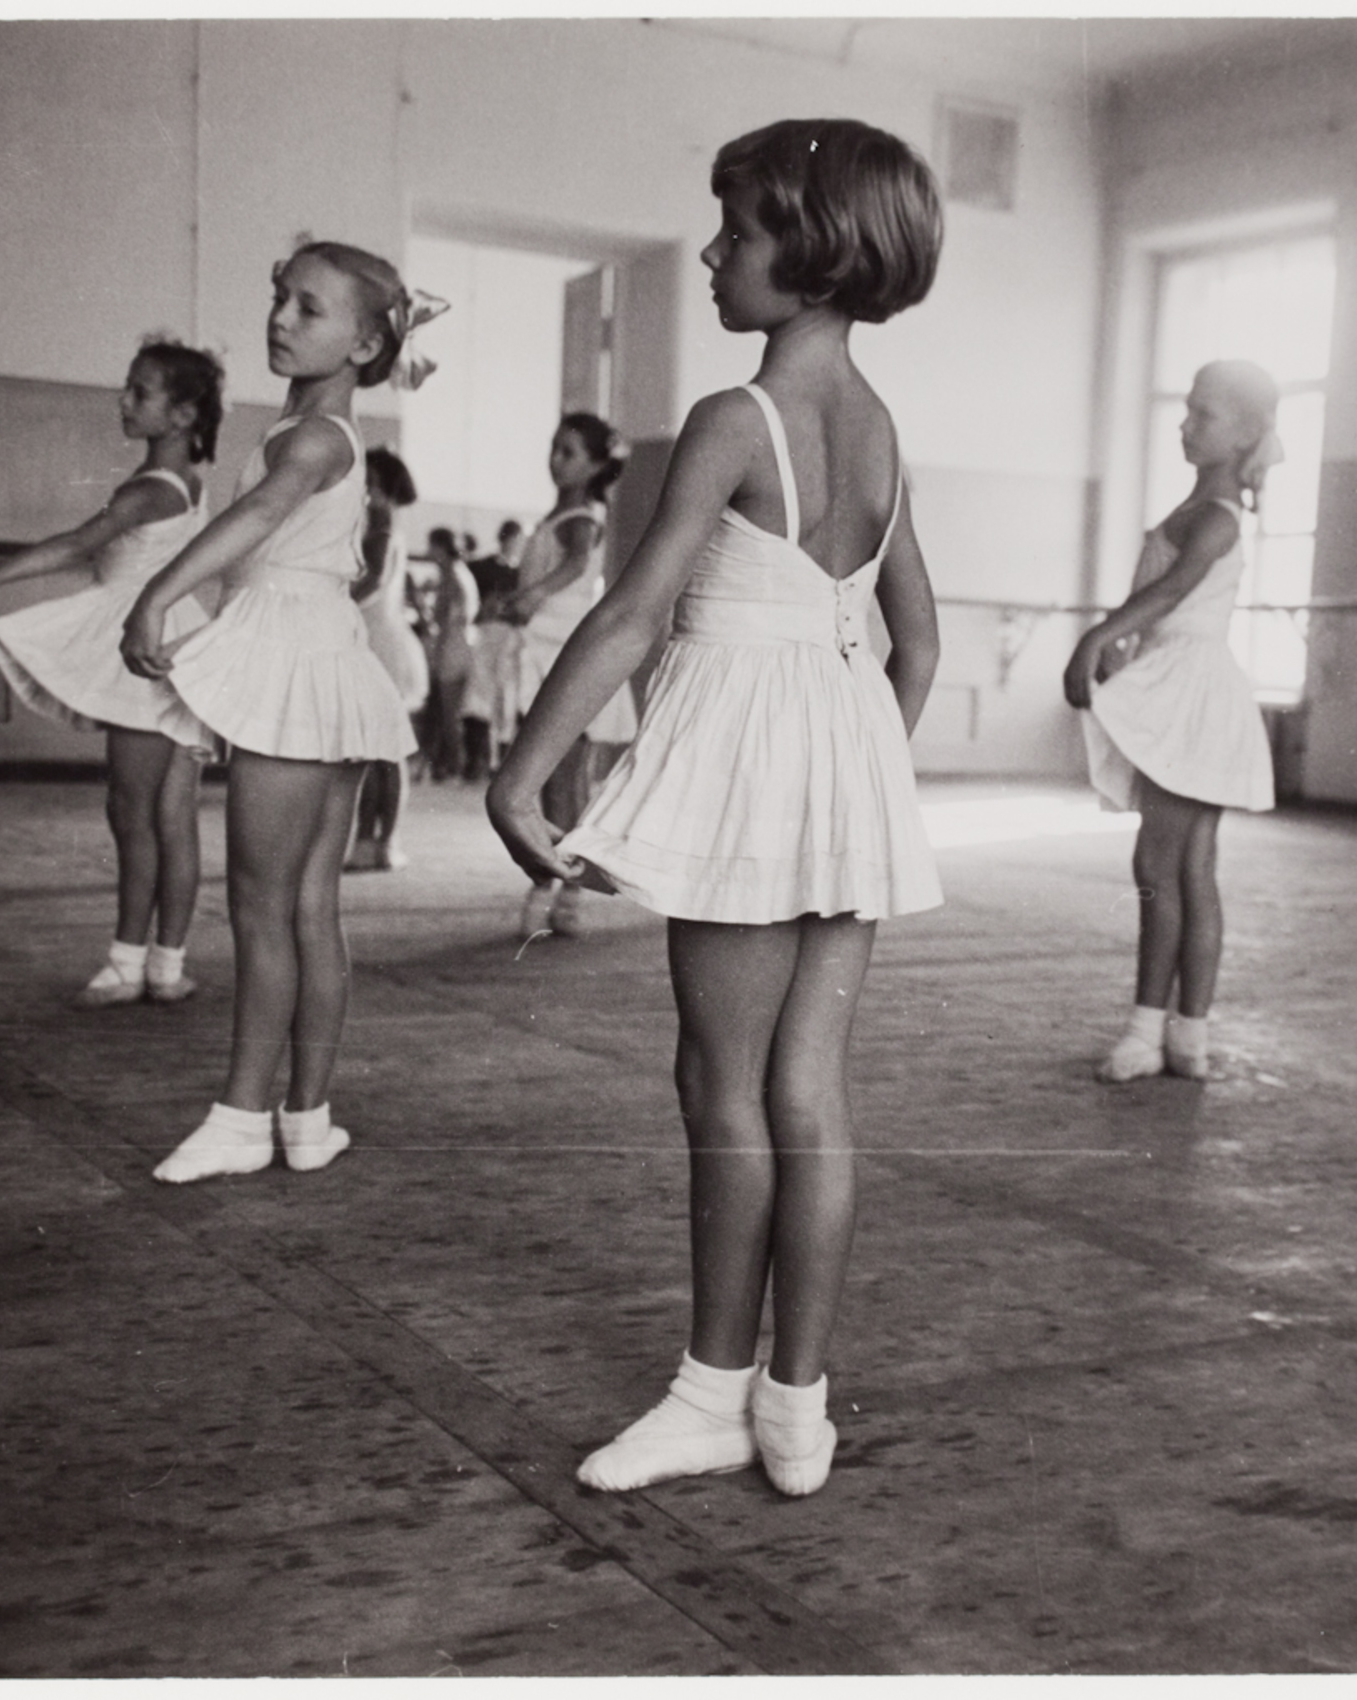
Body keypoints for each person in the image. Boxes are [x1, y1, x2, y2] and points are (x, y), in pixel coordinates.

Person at [487, 118, 942, 1498]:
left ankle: (708, 1395)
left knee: (721, 1085)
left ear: (807, 257)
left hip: (757, 779)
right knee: (811, 1089)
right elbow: (914, 644)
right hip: (841, 761)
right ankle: (797, 1410)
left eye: (736, 230)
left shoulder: (736, 420)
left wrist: (521, 770)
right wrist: (850, 772)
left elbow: (630, 613)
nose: (709, 250)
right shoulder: (879, 431)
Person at [121, 241, 438, 1184]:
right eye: (279, 299)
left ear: (366, 341)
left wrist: (157, 596)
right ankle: (306, 1120)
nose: (281, 319)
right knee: (306, 907)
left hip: (296, 658)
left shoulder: (314, 439)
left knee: (266, 908)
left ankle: (239, 1117)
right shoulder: (317, 425)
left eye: (309, 309)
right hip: (316, 653)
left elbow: (252, 519)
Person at [0, 340, 225, 1005]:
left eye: (141, 392)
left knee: (133, 810)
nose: (124, 400)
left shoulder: (150, 489)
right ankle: (164, 965)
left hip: (147, 644)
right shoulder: (188, 484)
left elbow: (83, 543)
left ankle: (127, 961)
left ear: (182, 415)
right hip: (180, 640)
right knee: (172, 815)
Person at [1064, 359, 1280, 1083]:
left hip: (1193, 691)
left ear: (1245, 432)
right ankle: (1184, 1036)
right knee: (1186, 867)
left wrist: (1098, 637)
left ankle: (1151, 1031)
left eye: (1204, 415)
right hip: (1174, 680)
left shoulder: (1217, 520)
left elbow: (1169, 593)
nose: (1186, 425)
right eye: (1186, 410)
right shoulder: (1193, 510)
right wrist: (1119, 646)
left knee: (1164, 864)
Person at [509, 412, 634, 939]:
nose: (556, 460)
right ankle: (551, 881)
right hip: (543, 650)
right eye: (554, 448)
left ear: (598, 464)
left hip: (568, 654)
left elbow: (579, 564)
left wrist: (536, 594)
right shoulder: (556, 513)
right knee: (541, 782)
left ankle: (564, 890)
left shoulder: (584, 514)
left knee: (564, 785)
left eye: (569, 453)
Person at [348, 445, 427, 871]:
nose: (365, 492)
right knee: (377, 753)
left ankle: (382, 841)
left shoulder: (381, 530)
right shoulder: (382, 527)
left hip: (380, 644)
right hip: (377, 638)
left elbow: (374, 581)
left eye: (371, 485)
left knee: (383, 753)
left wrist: (338, 601)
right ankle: (373, 842)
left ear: (386, 490)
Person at [414, 526, 478, 780]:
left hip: (451, 648)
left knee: (448, 712)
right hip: (463, 645)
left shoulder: (451, 576)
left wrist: (419, 603)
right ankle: (451, 763)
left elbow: (443, 620)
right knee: (450, 711)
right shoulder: (460, 573)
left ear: (440, 547)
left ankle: (454, 765)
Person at [465, 519, 526, 777]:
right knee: (479, 697)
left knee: (505, 698)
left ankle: (499, 761)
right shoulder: (482, 567)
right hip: (487, 634)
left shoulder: (521, 572)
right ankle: (477, 760)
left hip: (509, 638)